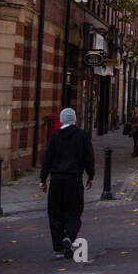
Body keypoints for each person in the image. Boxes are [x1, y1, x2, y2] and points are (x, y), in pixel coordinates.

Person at [40, 107, 96, 259]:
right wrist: (91, 175)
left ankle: (58, 248)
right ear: (74, 120)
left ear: (61, 120)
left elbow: (47, 159)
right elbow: (88, 157)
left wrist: (42, 179)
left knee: (55, 214)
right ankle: (69, 237)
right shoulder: (82, 136)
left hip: (56, 180)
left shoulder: (54, 136)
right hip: (74, 179)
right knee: (74, 211)